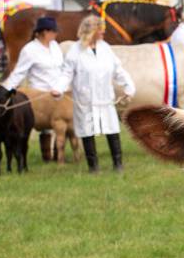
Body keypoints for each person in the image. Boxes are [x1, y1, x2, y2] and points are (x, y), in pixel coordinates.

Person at [56, 15, 135, 173]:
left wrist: (129, 86)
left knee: (112, 128)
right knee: (87, 131)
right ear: (91, 31)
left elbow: (117, 70)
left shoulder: (105, 47)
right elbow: (66, 73)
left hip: (105, 99)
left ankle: (118, 164)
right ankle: (93, 167)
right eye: (100, 30)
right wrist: (58, 88)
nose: (103, 34)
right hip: (85, 100)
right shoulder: (75, 51)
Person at [1, 15, 67, 162]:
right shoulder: (30, 50)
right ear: (45, 32)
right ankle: (46, 155)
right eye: (54, 31)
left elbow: (63, 69)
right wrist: (4, 92)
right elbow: (19, 72)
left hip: (58, 92)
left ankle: (59, 154)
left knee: (61, 123)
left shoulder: (55, 47)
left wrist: (63, 86)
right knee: (45, 127)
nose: (56, 34)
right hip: (40, 94)